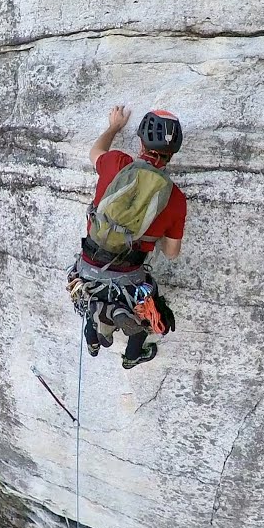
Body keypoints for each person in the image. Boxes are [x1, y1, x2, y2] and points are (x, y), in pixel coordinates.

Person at [67, 106, 186, 369]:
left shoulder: (118, 164)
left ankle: (95, 337)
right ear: (173, 152)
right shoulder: (175, 198)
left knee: (91, 292)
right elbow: (171, 253)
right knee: (147, 305)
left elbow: (95, 153)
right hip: (129, 277)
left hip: (89, 264)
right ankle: (132, 355)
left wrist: (114, 127)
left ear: (141, 142)